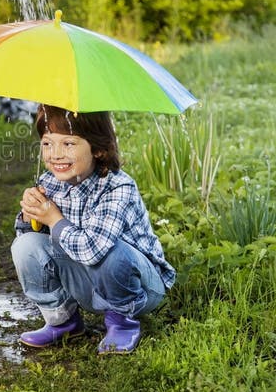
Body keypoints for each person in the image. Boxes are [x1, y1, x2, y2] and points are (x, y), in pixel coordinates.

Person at [12, 105, 174, 353]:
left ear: (98, 149)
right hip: (88, 282)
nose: (55, 154)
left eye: (68, 144)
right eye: (47, 143)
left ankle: (123, 322)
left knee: (113, 252)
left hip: (140, 287)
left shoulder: (118, 187)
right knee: (25, 246)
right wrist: (30, 215)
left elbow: (93, 251)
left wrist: (54, 219)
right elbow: (37, 246)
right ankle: (63, 321)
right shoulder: (49, 182)